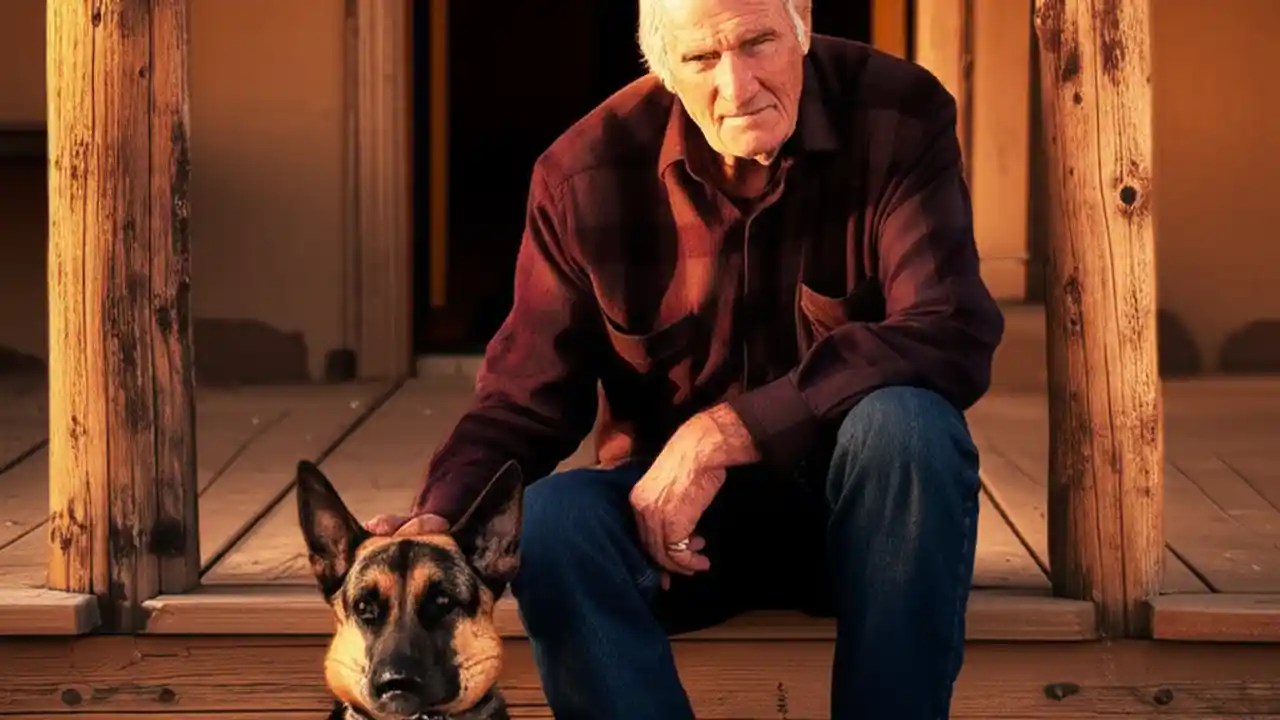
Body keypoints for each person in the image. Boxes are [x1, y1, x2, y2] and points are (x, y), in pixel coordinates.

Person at [367, 0, 1004, 716]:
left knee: (909, 424)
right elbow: (525, 396)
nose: (737, 85)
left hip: (865, 528)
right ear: (663, 65)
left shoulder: (899, 111)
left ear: (801, 23)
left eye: (758, 42)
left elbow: (949, 327)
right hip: (671, 538)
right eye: (702, 58)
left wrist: (729, 430)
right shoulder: (583, 171)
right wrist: (439, 516)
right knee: (551, 524)